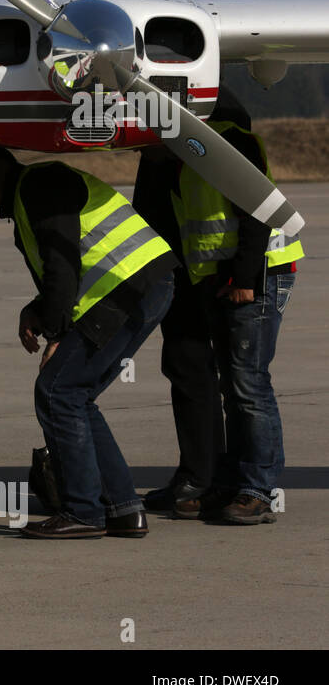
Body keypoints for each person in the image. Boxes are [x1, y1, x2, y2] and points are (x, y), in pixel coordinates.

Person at [0, 143, 176, 539]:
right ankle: (123, 509)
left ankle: (82, 511)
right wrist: (39, 308)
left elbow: (63, 264)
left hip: (127, 285)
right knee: (73, 393)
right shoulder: (33, 190)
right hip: (136, 284)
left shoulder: (40, 185)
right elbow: (67, 266)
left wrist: (57, 334)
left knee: (58, 390)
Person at [171, 88, 303, 525]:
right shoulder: (195, 148)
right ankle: (231, 483)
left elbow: (257, 212)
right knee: (234, 387)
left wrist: (244, 279)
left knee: (249, 386)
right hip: (225, 278)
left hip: (257, 274)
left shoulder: (229, 142)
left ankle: (257, 489)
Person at [132, 147, 225, 514]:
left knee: (194, 365)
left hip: (195, 269)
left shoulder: (204, 120)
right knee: (187, 364)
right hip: (179, 264)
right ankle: (203, 474)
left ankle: (205, 478)